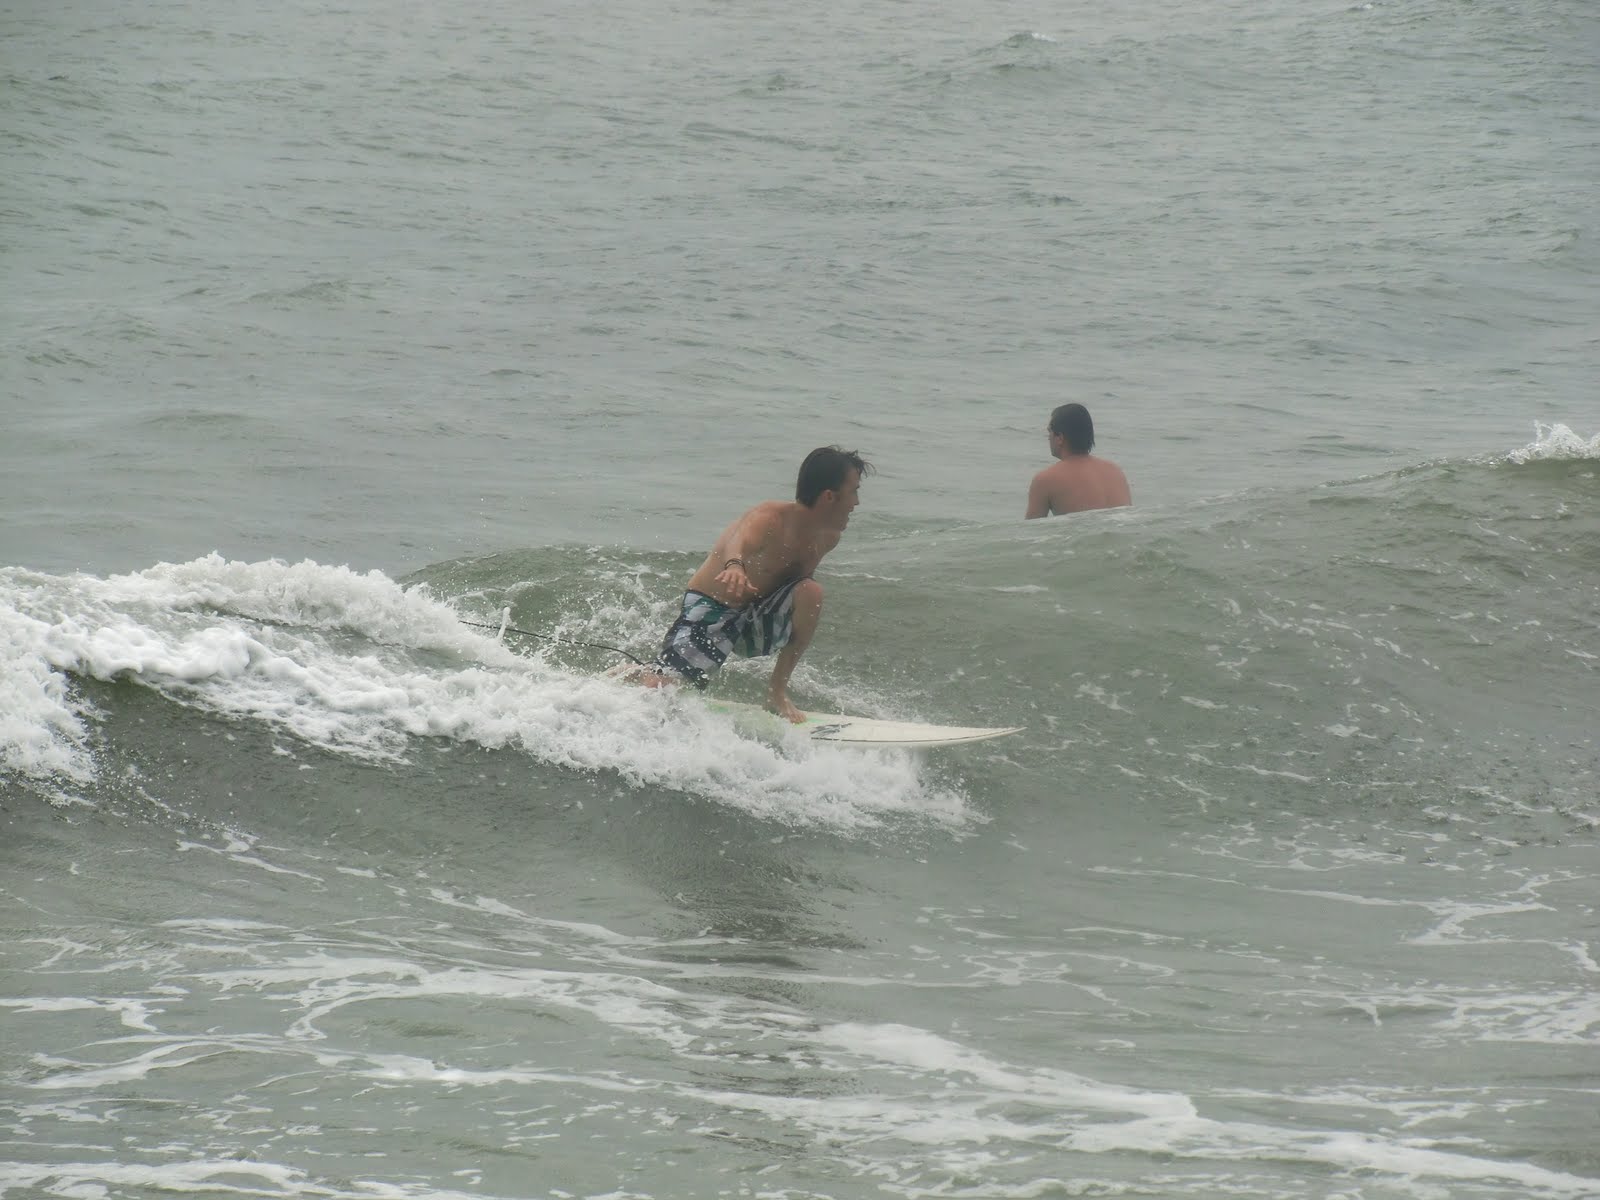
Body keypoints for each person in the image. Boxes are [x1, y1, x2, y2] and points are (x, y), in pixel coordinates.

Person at [633, 446, 871, 722]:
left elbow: (793, 593)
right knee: (658, 696)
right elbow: (739, 541)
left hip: (754, 620)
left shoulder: (827, 539)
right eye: (854, 491)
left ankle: (776, 693)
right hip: (713, 608)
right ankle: (640, 673)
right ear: (829, 496)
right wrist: (735, 566)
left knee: (811, 592)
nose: (857, 502)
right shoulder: (770, 516)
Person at [1025, 403, 1131, 518]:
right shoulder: (1115, 471)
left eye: (1049, 431)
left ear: (1060, 437)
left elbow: (1030, 532)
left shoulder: (1045, 480)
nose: (1048, 437)